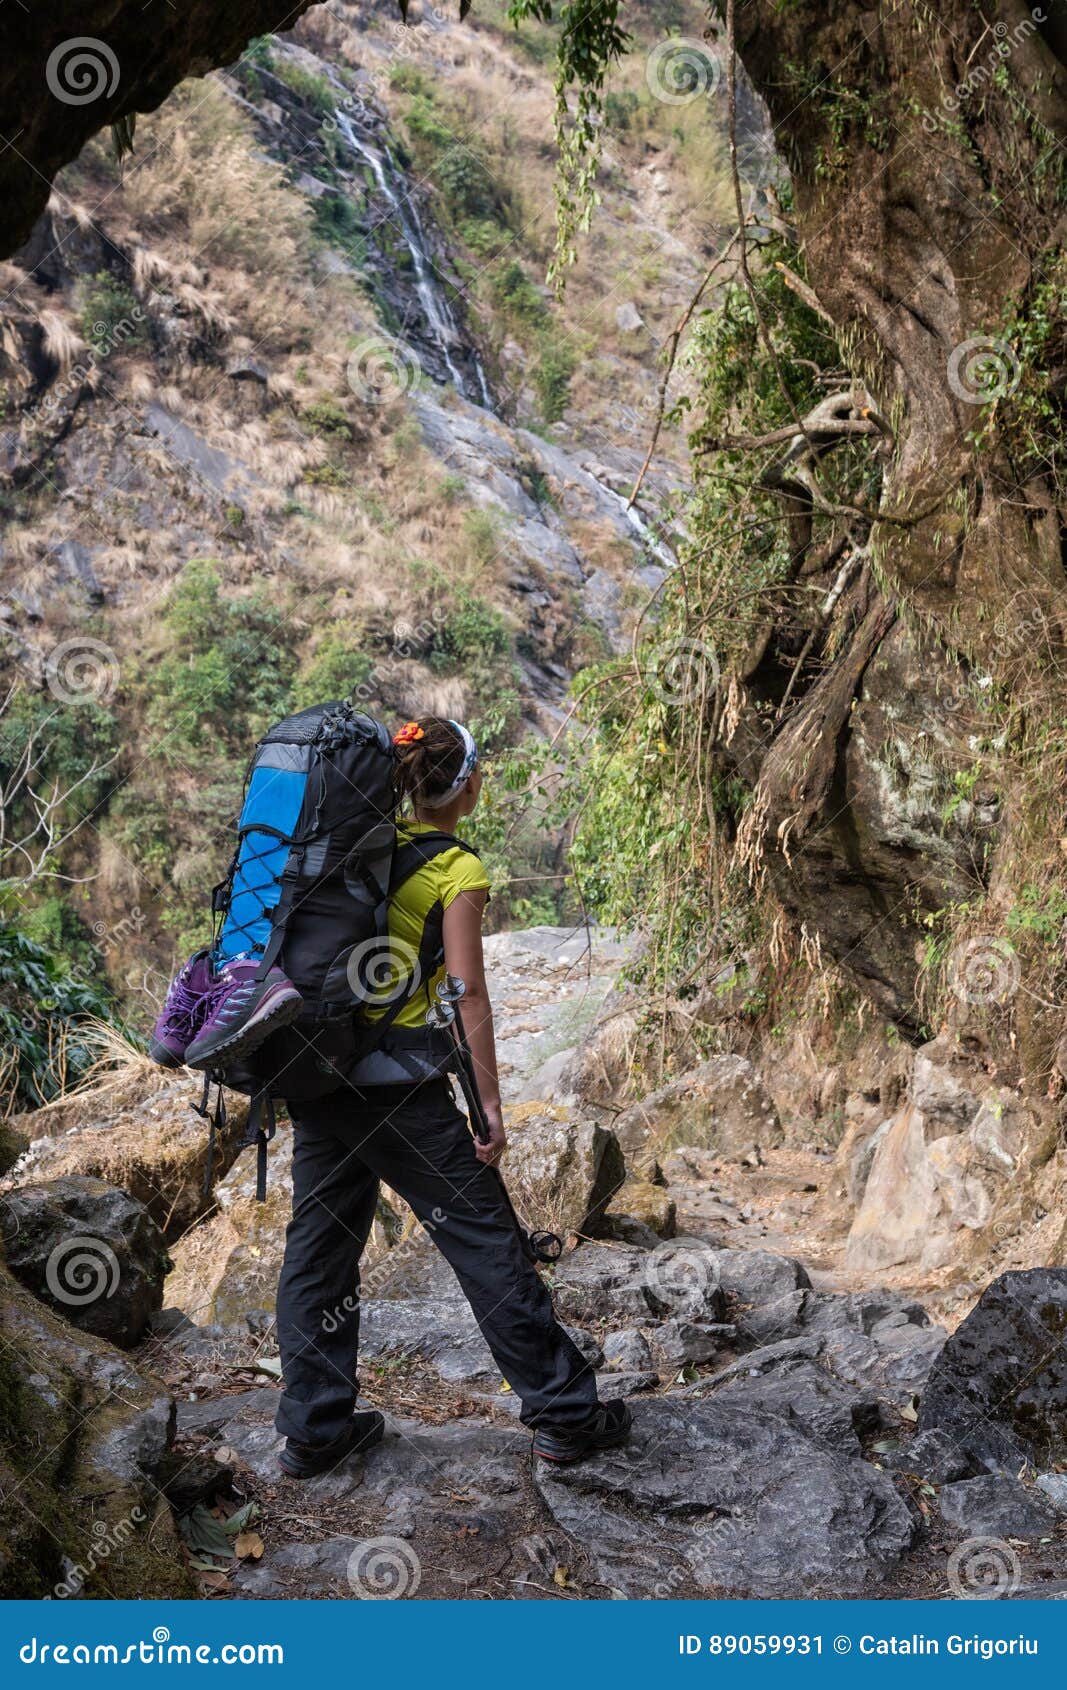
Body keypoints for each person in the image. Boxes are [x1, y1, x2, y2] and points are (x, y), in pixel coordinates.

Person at [273, 715, 632, 1477]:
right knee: (484, 1238)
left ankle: (313, 1428)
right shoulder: (454, 870)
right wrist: (490, 1109)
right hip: (398, 1092)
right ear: (465, 783)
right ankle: (566, 1413)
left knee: (319, 1250)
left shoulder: (353, 846)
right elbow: (468, 995)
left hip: (316, 1075)